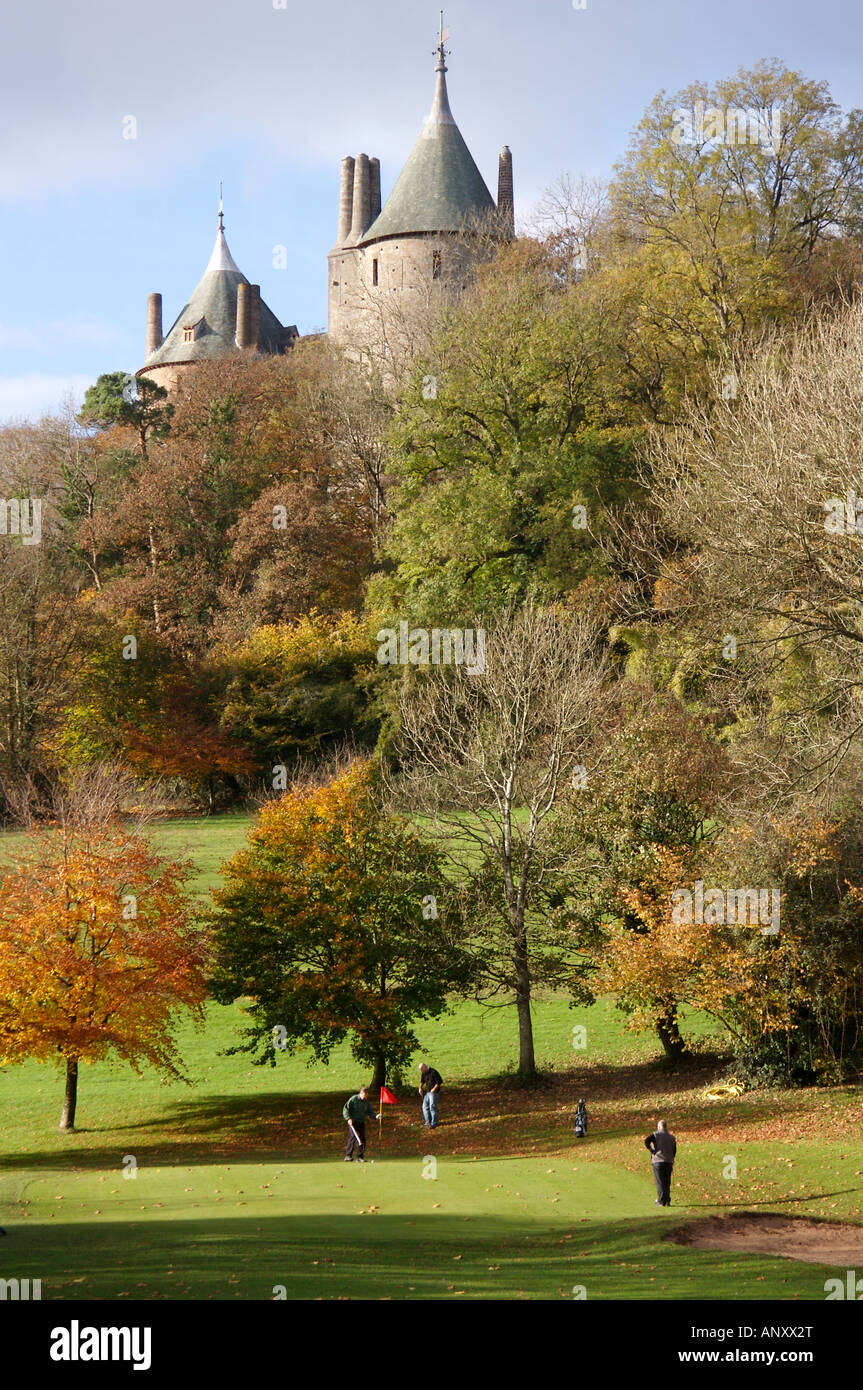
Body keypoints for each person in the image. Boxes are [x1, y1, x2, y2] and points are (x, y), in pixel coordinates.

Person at [644, 1118, 677, 1206]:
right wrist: (672, 1158)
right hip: (668, 1161)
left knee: (660, 1182)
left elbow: (646, 1141)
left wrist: (651, 1150)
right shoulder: (672, 1137)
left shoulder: (656, 1134)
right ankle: (667, 1200)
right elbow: (674, 1150)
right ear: (666, 1127)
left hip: (658, 1161)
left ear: (659, 1127)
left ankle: (661, 1201)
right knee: (667, 1182)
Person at [342, 1085, 379, 1162]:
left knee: (362, 1139)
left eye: (367, 1095)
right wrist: (348, 1118)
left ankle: (360, 1157)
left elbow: (370, 1111)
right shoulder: (354, 1099)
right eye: (365, 1095)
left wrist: (376, 1116)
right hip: (353, 1122)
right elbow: (345, 1109)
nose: (366, 1096)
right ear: (361, 1093)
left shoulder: (366, 1102)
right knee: (353, 1137)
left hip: (361, 1122)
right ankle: (348, 1156)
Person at [418, 1061, 443, 1129]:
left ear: (425, 1067)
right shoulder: (424, 1073)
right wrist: (420, 1088)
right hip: (427, 1092)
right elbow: (422, 1081)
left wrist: (434, 1089)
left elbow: (439, 1082)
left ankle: (434, 1123)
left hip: (434, 1092)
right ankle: (427, 1122)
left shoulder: (433, 1072)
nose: (421, 1071)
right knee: (425, 1107)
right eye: (420, 1070)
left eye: (422, 1069)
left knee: (432, 1106)